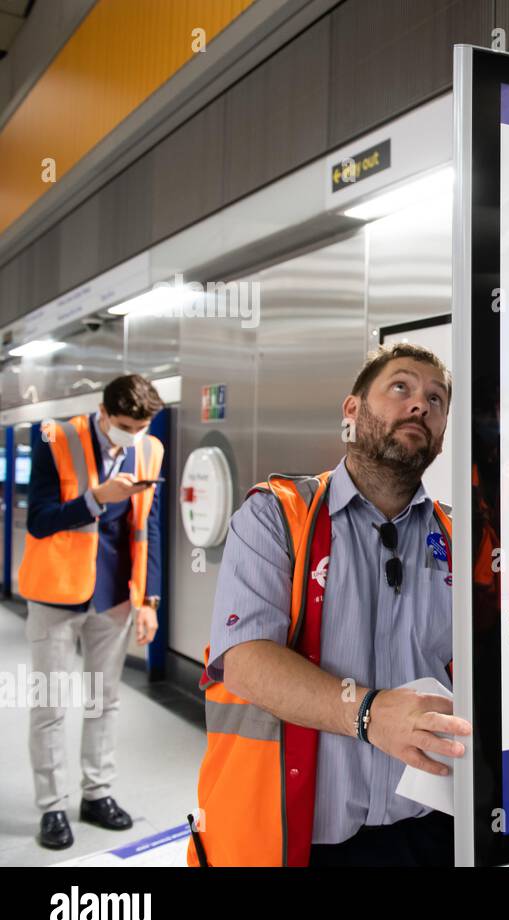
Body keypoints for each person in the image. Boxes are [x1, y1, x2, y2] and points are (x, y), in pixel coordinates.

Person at [189, 343, 472, 867]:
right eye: (401, 387)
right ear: (352, 411)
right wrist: (369, 714)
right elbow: (246, 662)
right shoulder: (277, 516)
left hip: (428, 830)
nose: (420, 406)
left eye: (436, 400)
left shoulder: (455, 536)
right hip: (299, 836)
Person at [19, 373, 165, 850]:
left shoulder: (150, 450)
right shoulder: (55, 439)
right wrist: (95, 499)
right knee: (51, 704)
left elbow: (151, 529)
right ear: (103, 413)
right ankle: (53, 806)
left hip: (116, 597)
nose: (133, 435)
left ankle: (96, 793)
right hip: (56, 594)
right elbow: (39, 520)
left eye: (141, 427)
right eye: (124, 425)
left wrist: (149, 601)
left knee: (105, 701)